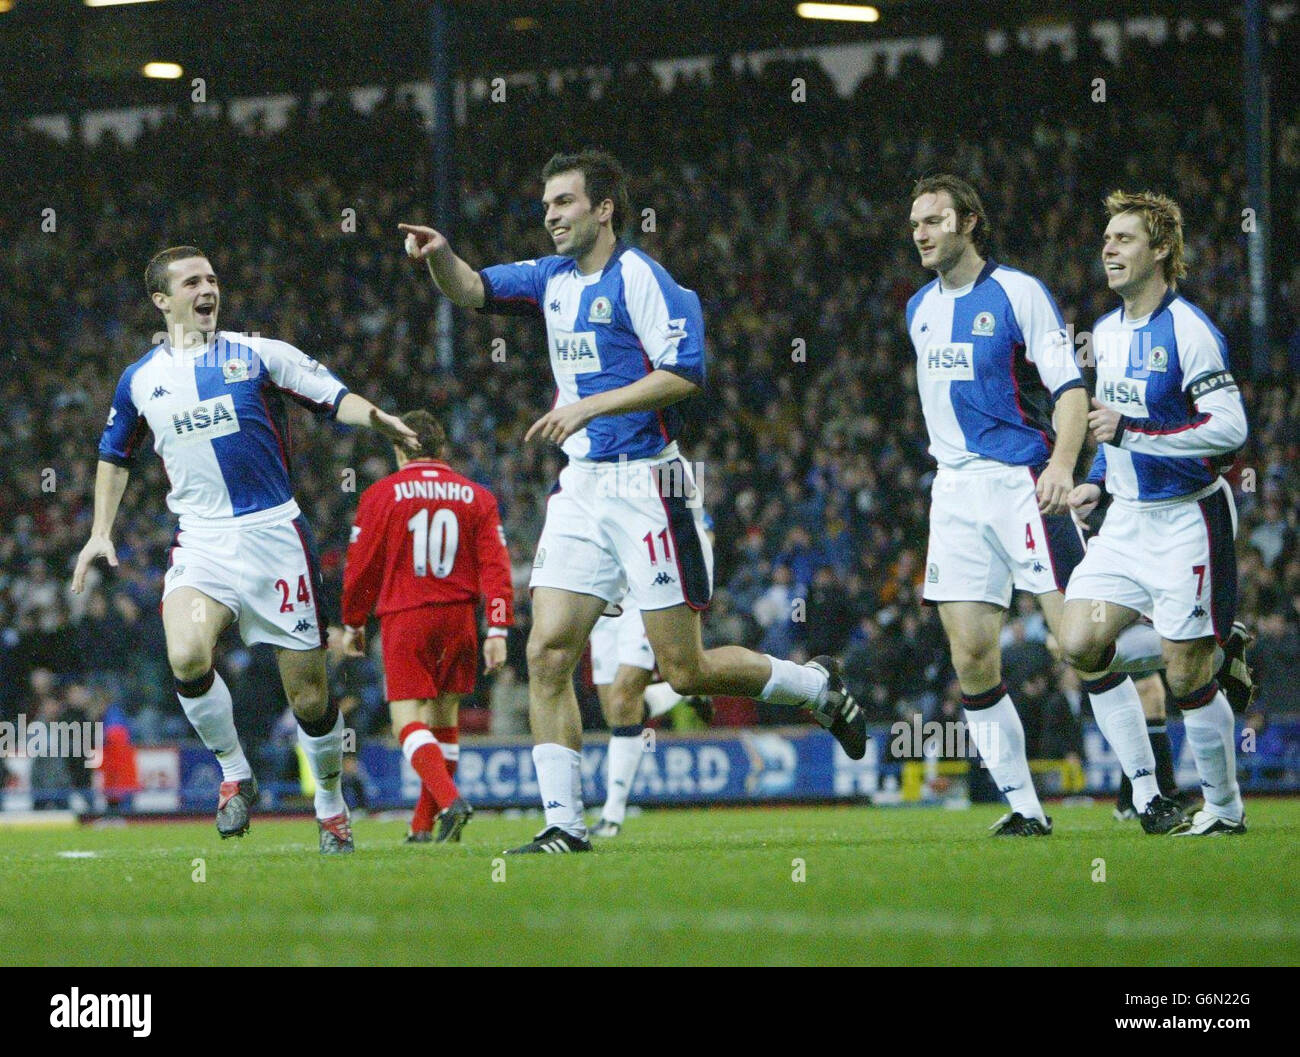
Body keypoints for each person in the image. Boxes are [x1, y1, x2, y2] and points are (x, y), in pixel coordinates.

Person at [401, 148, 864, 854]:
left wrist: (592, 404)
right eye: (547, 203)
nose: (549, 214)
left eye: (563, 202)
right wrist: (440, 255)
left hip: (652, 482)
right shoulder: (549, 277)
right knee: (547, 652)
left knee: (686, 670)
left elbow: (685, 371)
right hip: (584, 486)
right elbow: (469, 290)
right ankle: (566, 824)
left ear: (604, 208)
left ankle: (815, 686)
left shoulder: (643, 279)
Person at [71, 245, 417, 854]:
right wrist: (101, 530)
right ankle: (235, 772)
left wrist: (380, 419)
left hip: (275, 541)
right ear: (162, 300)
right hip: (202, 545)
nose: (208, 288)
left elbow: (334, 396)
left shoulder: (259, 354)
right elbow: (114, 455)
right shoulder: (141, 380)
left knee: (310, 698)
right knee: (185, 656)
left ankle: (332, 807)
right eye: (191, 282)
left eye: (211, 277)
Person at [906, 174, 1183, 837]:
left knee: (1078, 645)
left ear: (968, 223)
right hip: (954, 493)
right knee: (971, 657)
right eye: (914, 222)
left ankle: (1148, 791)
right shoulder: (917, 307)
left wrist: (1061, 465)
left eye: (934, 220)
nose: (919, 232)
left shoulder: (1018, 293)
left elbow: (1069, 389)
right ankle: (1025, 806)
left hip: (1023, 485)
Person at [1059, 190, 1250, 836]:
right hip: (1128, 521)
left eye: (1125, 238)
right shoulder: (1106, 335)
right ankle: (1148, 792)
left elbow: (1231, 427)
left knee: (1186, 674)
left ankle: (1223, 810)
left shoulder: (1191, 331)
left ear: (1162, 249)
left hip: (1189, 519)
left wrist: (1132, 432)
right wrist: (1094, 483)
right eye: (1107, 238)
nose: (1108, 248)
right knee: (1079, 640)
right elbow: (1111, 437)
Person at [341, 410, 513, 844]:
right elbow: (497, 568)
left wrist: (353, 622)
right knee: (444, 719)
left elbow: (361, 568)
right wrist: (498, 629)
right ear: (442, 448)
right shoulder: (478, 496)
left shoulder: (383, 494)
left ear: (401, 447)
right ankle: (424, 826)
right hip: (459, 619)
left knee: (406, 723)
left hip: (407, 615)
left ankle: (450, 799)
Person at [588, 513, 715, 838]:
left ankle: (612, 815)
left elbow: (702, 530)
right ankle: (681, 691)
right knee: (615, 712)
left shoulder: (655, 472)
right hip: (601, 604)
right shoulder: (585, 475)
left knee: (622, 699)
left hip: (640, 600)